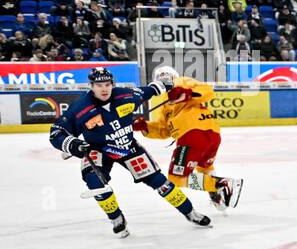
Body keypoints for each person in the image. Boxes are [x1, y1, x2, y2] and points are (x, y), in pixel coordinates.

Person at [49, 66, 210, 237]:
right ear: (91, 86)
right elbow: (56, 133)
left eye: (107, 84)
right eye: (98, 85)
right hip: (98, 149)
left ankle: (190, 212)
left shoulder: (126, 95)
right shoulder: (80, 107)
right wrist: (73, 144)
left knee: (160, 182)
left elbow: (151, 90)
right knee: (94, 182)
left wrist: (166, 84)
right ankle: (116, 218)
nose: (104, 89)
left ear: (113, 84)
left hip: (128, 147)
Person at [133, 66, 243, 211]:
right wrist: (144, 126)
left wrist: (187, 92)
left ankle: (221, 184)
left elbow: (208, 91)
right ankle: (217, 195)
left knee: (176, 178)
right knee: (205, 166)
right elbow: (164, 130)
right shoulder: (164, 104)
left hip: (192, 135)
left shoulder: (182, 82)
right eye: (160, 77)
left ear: (174, 76)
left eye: (166, 76)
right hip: (211, 135)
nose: (164, 79)